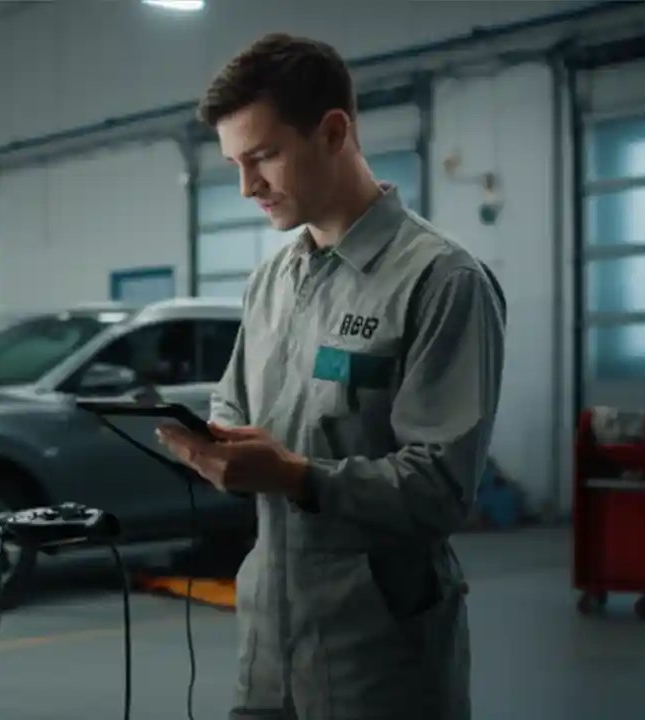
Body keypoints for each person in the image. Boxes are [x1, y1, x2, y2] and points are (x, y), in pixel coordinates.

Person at [156, 33, 507, 720]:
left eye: (263, 157)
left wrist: (296, 476)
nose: (246, 186)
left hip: (378, 657)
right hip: (266, 641)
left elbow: (440, 489)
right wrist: (211, 444)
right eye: (234, 163)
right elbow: (233, 401)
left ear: (333, 132)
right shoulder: (270, 282)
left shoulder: (440, 282)